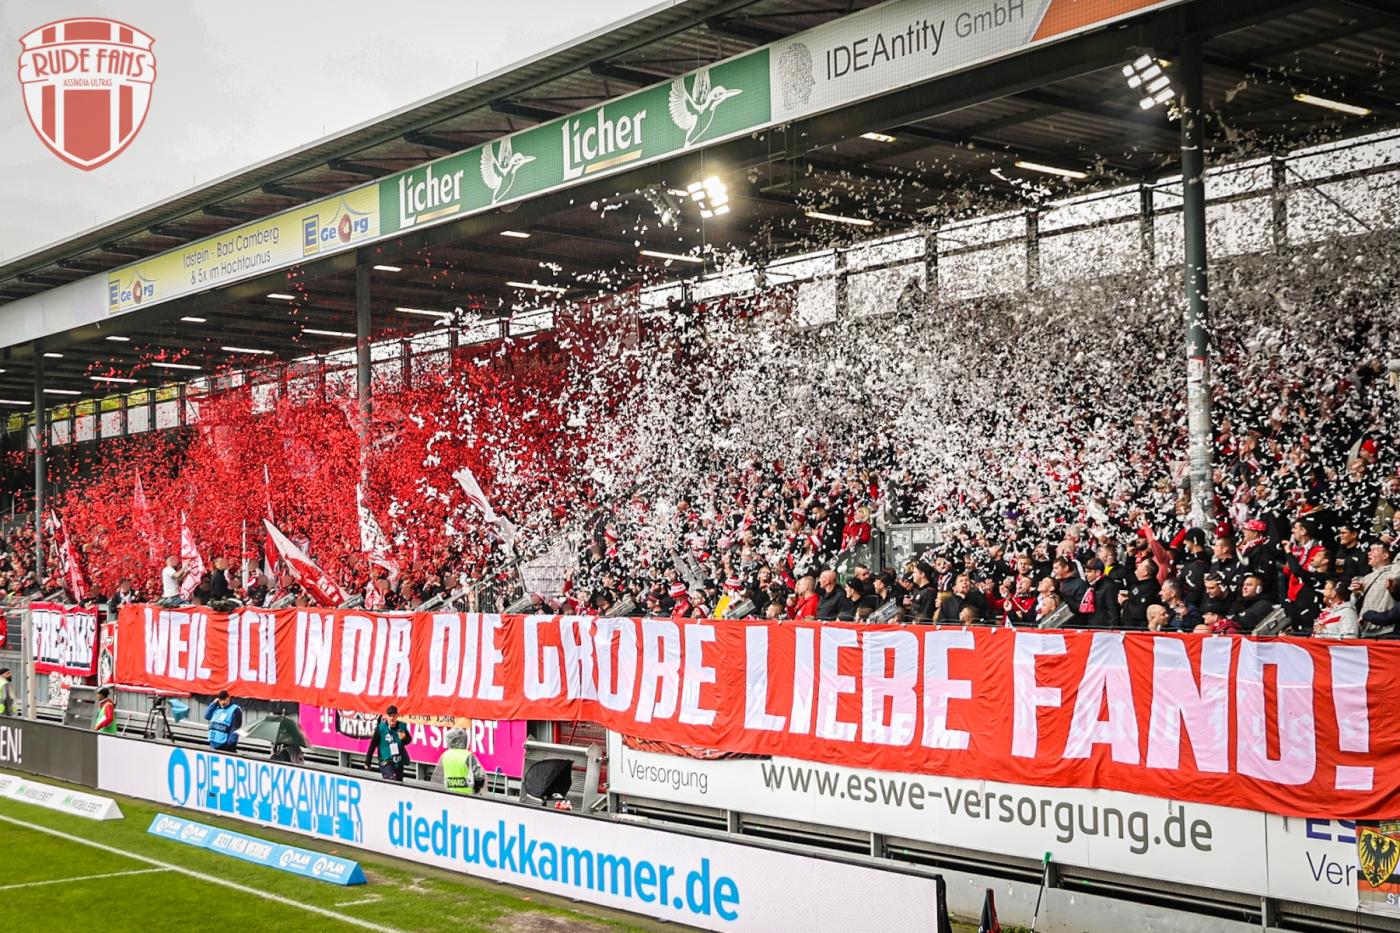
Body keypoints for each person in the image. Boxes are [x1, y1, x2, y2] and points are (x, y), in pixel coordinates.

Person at [365, 704, 412, 782]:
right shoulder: (381, 729)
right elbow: (372, 745)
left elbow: (408, 740)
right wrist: (367, 762)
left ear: (397, 716)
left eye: (394, 716)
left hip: (398, 762)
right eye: (390, 716)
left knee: (399, 783)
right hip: (385, 761)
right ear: (386, 716)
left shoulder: (401, 727)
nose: (392, 718)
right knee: (392, 780)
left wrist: (404, 738)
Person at [434, 727, 487, 795]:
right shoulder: (468, 755)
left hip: (449, 794)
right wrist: (477, 790)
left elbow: (437, 778)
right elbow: (480, 777)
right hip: (467, 796)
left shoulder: (445, 755)